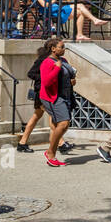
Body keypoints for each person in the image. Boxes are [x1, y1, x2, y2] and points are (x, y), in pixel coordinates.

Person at [38, 36, 75, 166]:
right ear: (53, 49)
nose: (64, 49)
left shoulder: (63, 60)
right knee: (64, 123)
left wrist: (71, 81)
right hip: (52, 97)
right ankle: (51, 153)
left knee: (61, 125)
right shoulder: (47, 63)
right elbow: (47, 82)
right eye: (61, 47)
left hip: (65, 96)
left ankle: (51, 151)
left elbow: (69, 74)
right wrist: (57, 68)